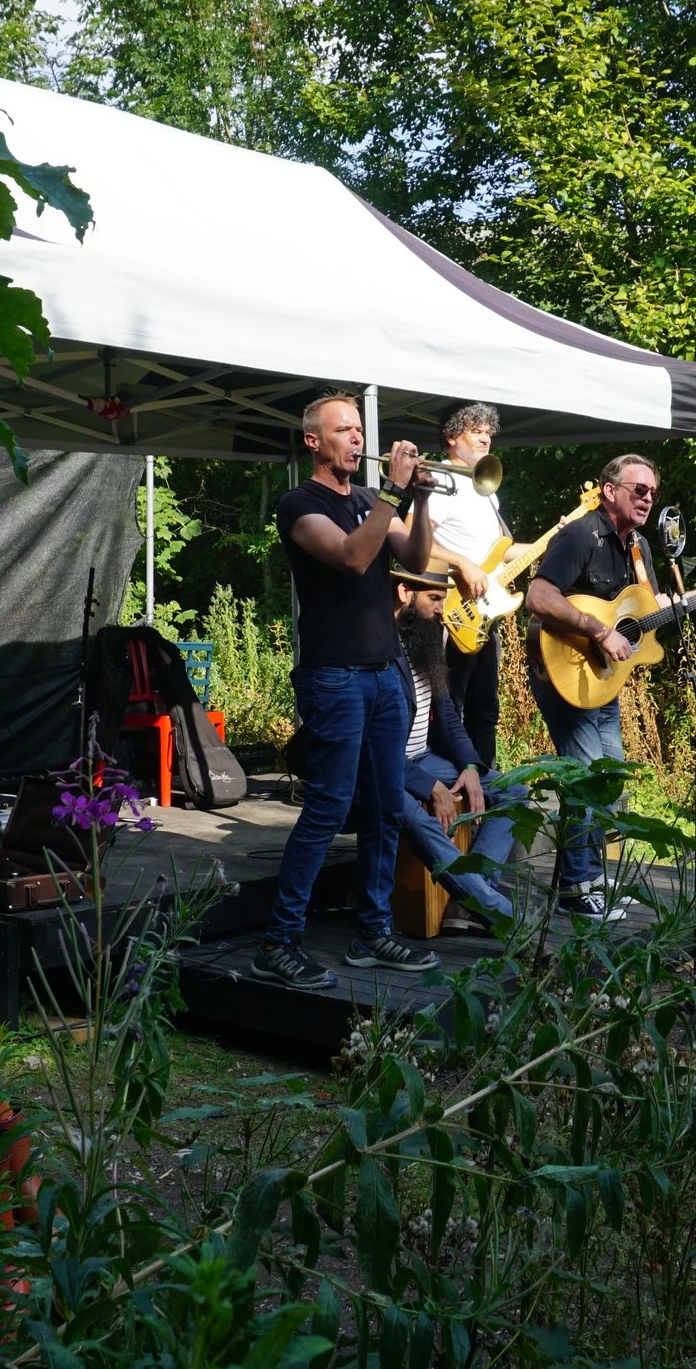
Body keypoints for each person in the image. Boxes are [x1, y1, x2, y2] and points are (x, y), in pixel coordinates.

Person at [259, 392, 443, 991]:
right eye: (344, 430)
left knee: (388, 807)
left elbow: (415, 559)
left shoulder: (369, 499)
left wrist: (418, 497)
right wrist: (392, 494)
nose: (357, 439)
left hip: (384, 672)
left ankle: (373, 931)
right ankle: (279, 940)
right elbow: (351, 556)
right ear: (314, 441)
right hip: (334, 675)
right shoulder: (299, 504)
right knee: (329, 808)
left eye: (359, 430)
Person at [524, 453, 696, 920]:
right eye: (638, 490)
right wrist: (598, 630)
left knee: (609, 779)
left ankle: (591, 876)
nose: (648, 498)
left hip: (605, 679)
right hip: (565, 671)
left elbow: (647, 611)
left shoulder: (637, 547)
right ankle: (573, 889)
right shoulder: (580, 535)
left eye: (652, 492)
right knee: (586, 777)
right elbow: (539, 597)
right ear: (610, 491)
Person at [391, 567, 524, 928]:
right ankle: (504, 917)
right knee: (423, 825)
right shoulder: (380, 648)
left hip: (426, 759)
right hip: (386, 770)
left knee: (513, 789)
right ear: (405, 593)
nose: (441, 610)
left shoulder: (427, 639)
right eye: (434, 599)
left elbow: (448, 715)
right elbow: (372, 748)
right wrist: (428, 786)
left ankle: (469, 903)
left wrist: (470, 766)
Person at [425, 403, 525, 771]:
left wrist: (554, 542)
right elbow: (414, 542)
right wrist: (462, 563)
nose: (486, 437)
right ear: (452, 436)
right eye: (476, 430)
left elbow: (501, 551)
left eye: (489, 432)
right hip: (454, 614)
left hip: (486, 614)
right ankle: (450, 786)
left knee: (485, 709)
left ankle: (487, 785)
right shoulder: (441, 481)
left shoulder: (485, 489)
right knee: (452, 705)